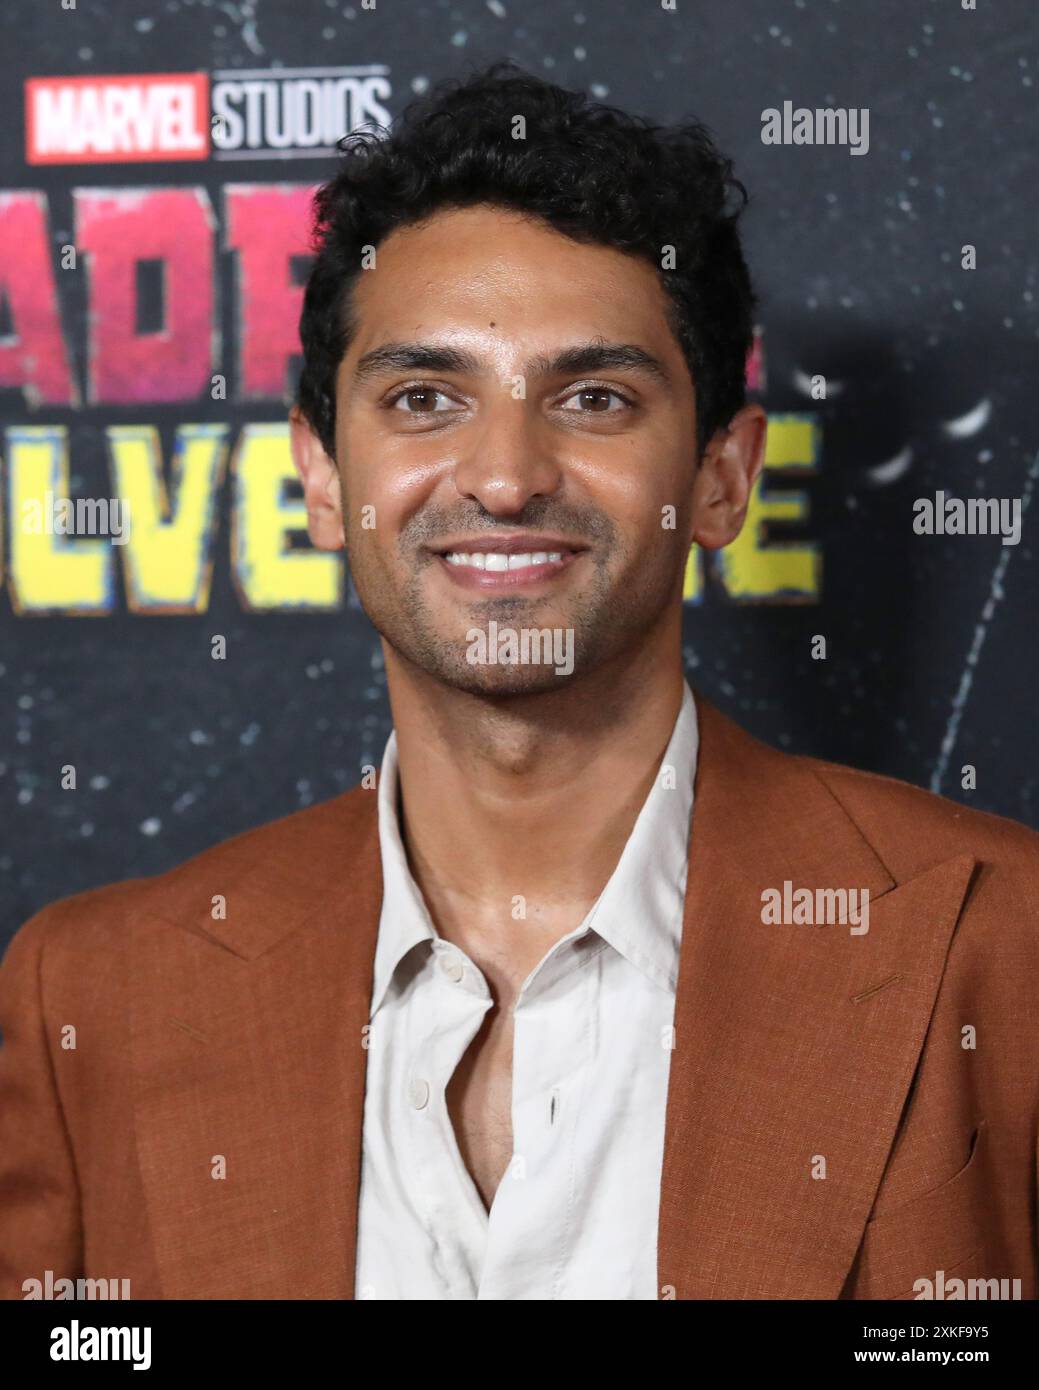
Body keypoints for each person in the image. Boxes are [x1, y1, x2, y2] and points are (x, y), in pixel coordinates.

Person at [1, 63, 1036, 1302]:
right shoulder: (96, 995)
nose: (501, 474)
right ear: (323, 475)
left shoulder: (1001, 945)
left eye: (592, 397)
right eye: (424, 397)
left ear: (721, 475)